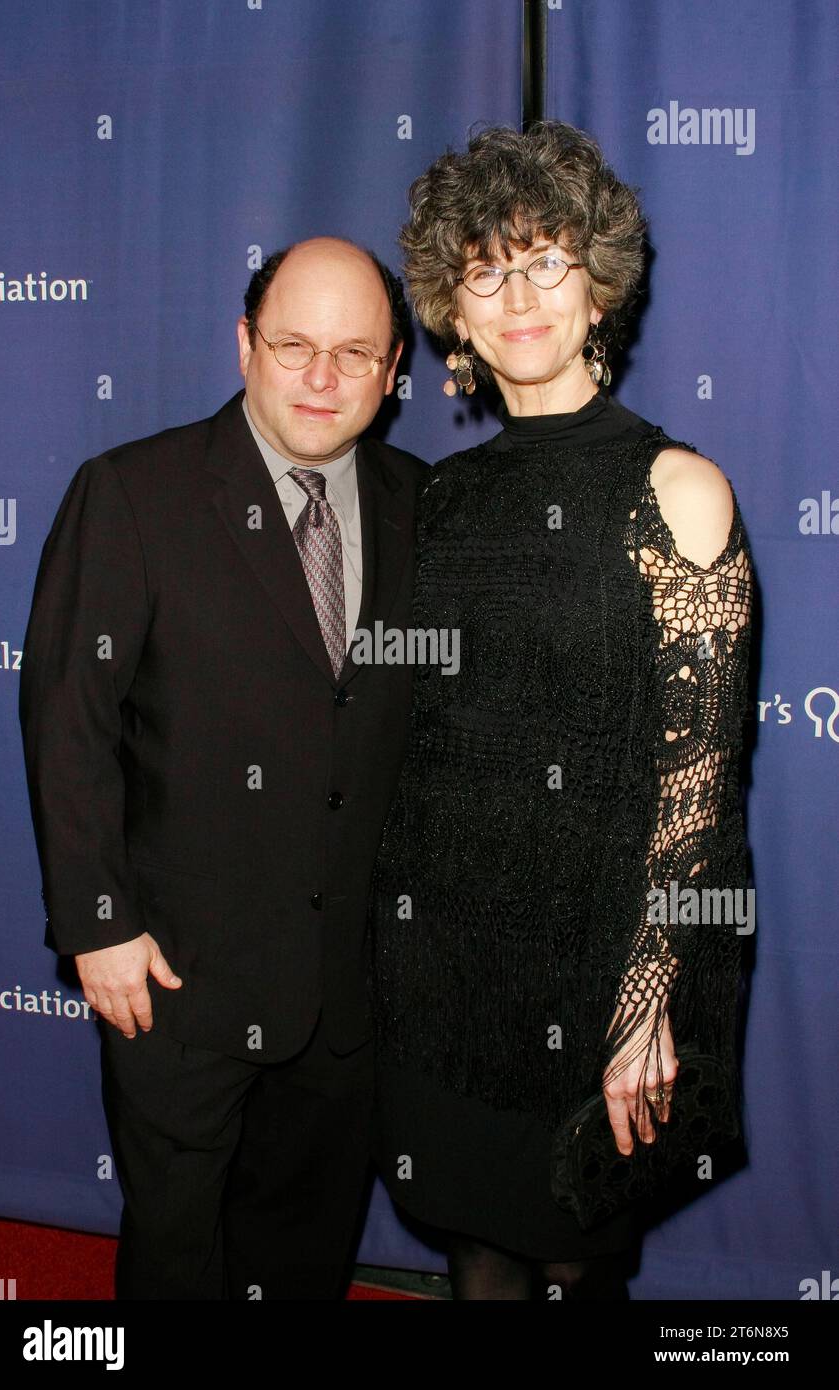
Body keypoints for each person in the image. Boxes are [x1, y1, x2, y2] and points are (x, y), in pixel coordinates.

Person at [369, 122, 754, 1300]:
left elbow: (698, 785)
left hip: (598, 968)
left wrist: (647, 1000)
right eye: (485, 268)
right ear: (454, 307)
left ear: (598, 286)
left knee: (578, 1263)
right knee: (475, 1253)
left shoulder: (674, 488)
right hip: (445, 965)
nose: (517, 293)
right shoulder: (442, 497)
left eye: (545, 260)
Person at [18, 236, 426, 1300]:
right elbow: (67, 717)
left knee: (302, 1254)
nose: (322, 378)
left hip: (348, 989)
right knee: (176, 1254)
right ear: (243, 344)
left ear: (393, 374)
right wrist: (97, 922)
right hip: (176, 978)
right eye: (293, 345)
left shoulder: (427, 508)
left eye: (354, 353)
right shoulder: (132, 493)